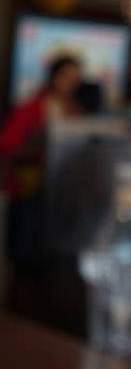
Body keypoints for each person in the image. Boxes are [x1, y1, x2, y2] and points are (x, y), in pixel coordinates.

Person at [2, 55, 83, 260]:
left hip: (63, 191)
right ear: (54, 76)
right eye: (67, 76)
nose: (71, 83)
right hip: (29, 188)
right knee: (24, 251)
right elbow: (7, 144)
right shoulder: (30, 107)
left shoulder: (74, 110)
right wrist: (37, 146)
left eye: (76, 78)